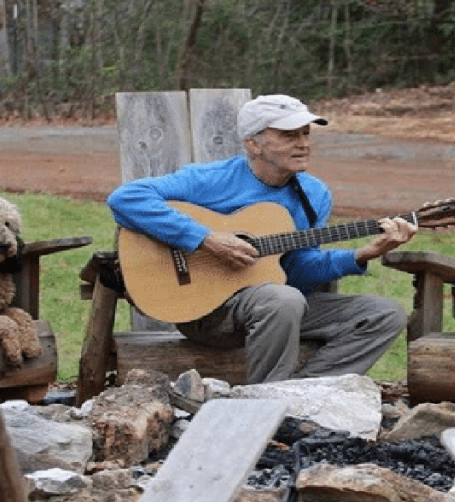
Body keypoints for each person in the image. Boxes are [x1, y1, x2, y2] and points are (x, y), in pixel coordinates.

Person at [107, 94, 417, 384]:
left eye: (306, 134)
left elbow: (297, 269)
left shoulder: (314, 194)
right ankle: (266, 403)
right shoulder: (213, 179)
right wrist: (204, 239)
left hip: (274, 310)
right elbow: (126, 198)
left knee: (385, 314)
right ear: (254, 144)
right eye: (288, 135)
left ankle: (307, 391)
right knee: (283, 299)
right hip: (206, 313)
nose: (303, 144)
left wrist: (361, 255)